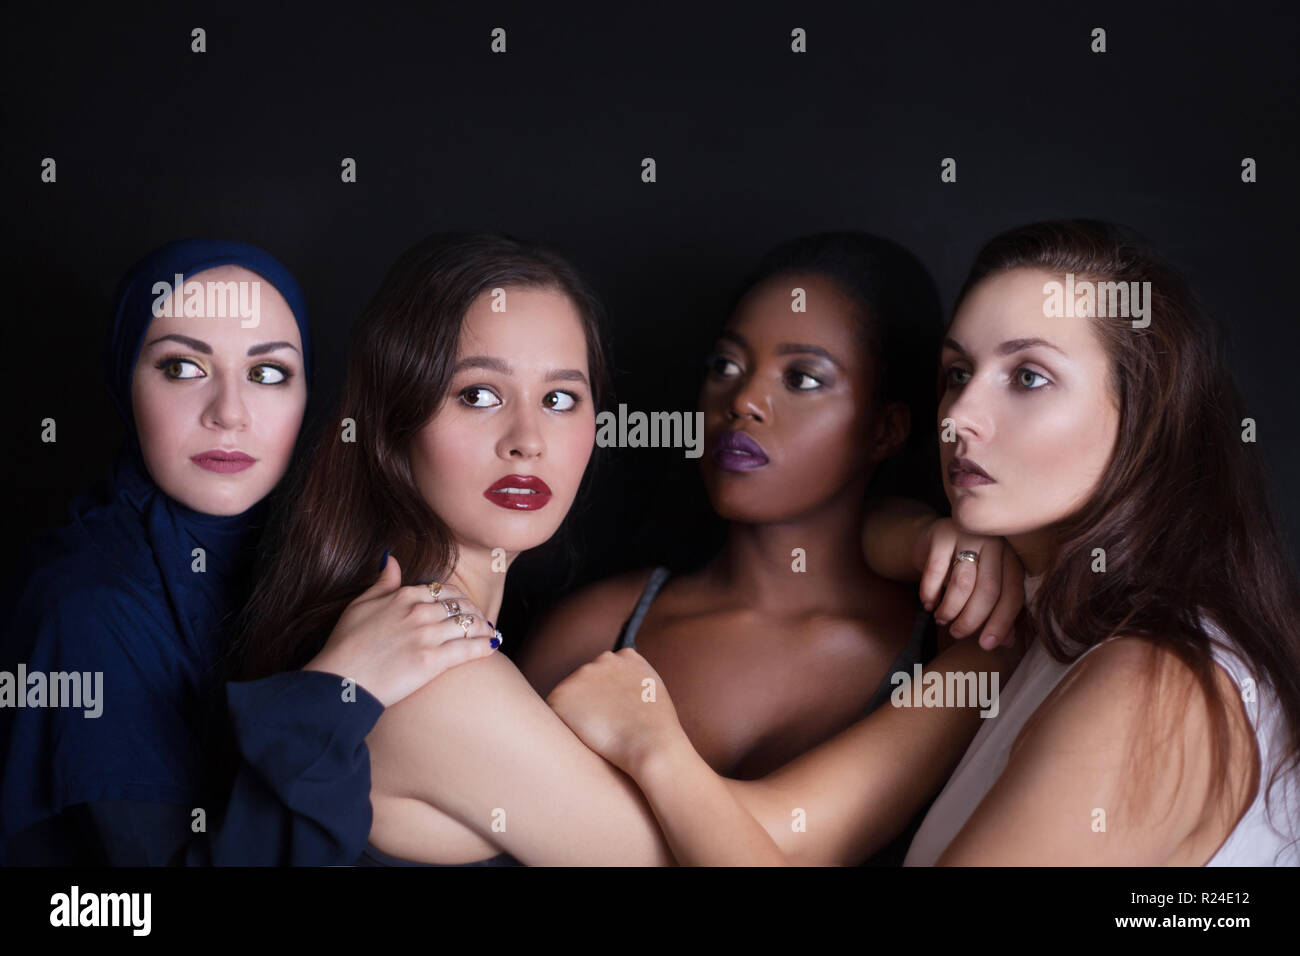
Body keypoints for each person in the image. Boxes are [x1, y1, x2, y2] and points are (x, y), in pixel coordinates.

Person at [237, 232, 1018, 866]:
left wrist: (910, 533)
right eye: (477, 394)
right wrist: (990, 655)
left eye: (561, 398)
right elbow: (749, 850)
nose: (527, 440)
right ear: (393, 422)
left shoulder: (439, 645)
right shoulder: (436, 676)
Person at [548, 220, 1300, 866]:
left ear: (1141, 415)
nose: (962, 414)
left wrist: (656, 747)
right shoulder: (1038, 630)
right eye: (957, 373)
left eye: (1029, 376)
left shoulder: (1153, 682)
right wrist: (916, 535)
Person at [0, 239, 495, 866]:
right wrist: (343, 686)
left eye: (267, 373)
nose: (229, 414)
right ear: (124, 381)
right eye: (182, 367)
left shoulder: (322, 549)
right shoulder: (88, 608)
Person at [521, 234, 1024, 797]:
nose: (742, 400)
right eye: (725, 365)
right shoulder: (589, 632)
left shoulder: (954, 647)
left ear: (885, 429)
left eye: (802, 378)